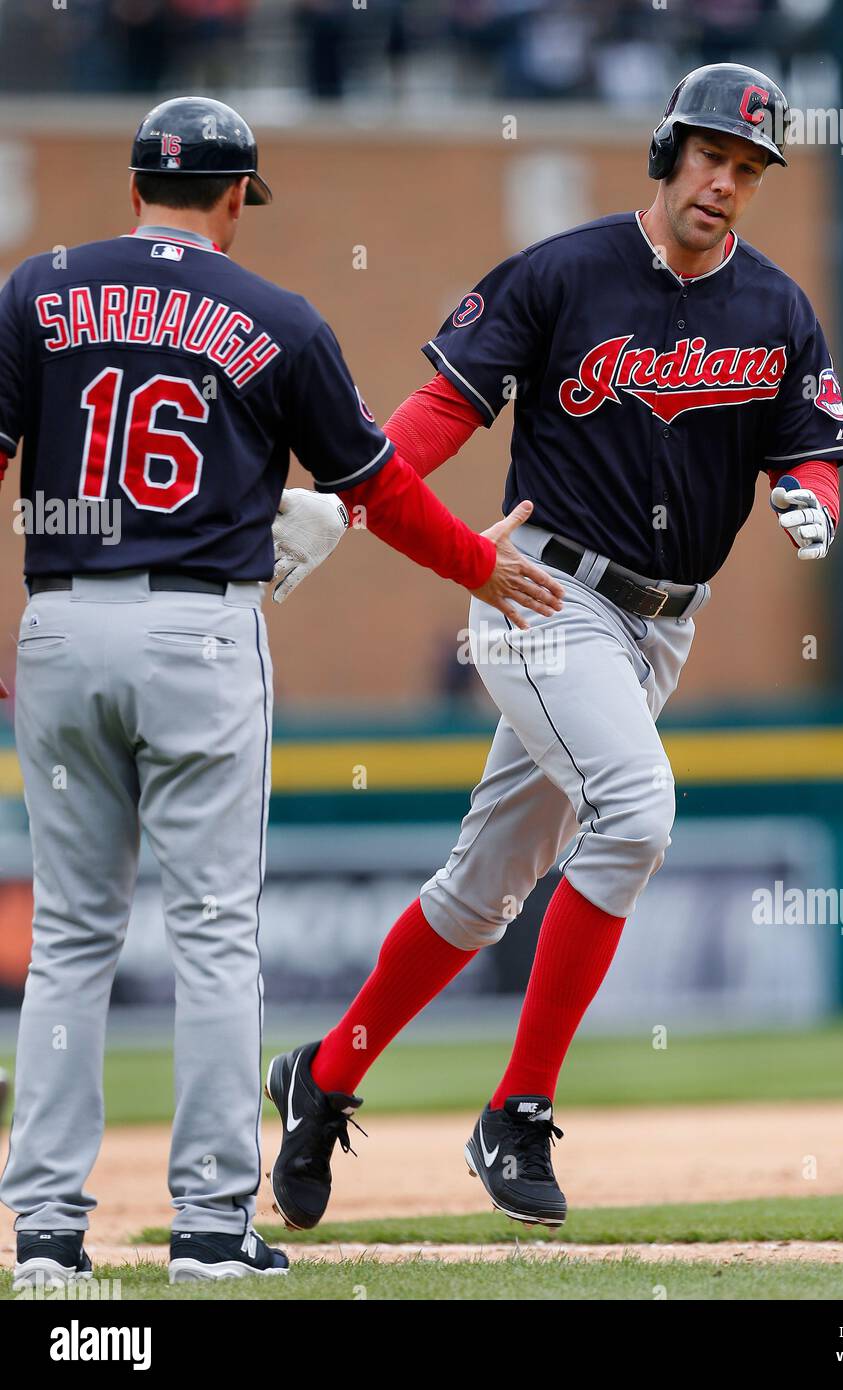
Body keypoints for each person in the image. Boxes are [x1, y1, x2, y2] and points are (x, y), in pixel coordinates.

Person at [265, 63, 843, 1231]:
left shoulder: (777, 308)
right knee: (634, 809)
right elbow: (447, 407)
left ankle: (320, 1080)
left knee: (481, 891)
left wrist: (816, 501)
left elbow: (814, 446)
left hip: (658, 627)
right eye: (710, 159)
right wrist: (353, 486)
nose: (726, 185)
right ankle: (517, 1110)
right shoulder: (561, 272)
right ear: (662, 154)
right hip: (538, 593)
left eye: (747, 170)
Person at [0, 95, 560, 1288]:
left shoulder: (33, 290)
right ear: (233, 200)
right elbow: (375, 488)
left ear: (134, 185)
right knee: (211, 939)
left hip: (59, 624)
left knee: (68, 942)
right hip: (199, 629)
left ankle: (45, 1236)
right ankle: (208, 1231)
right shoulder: (276, 315)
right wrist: (478, 562)